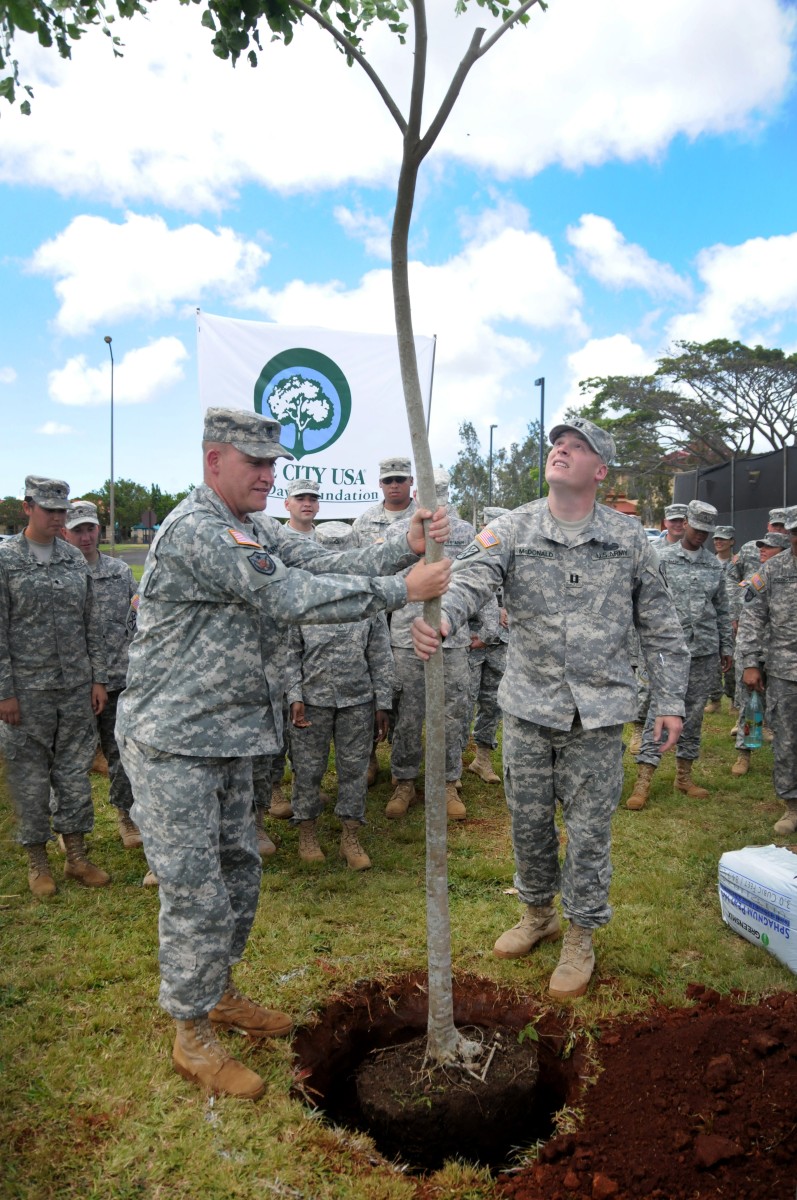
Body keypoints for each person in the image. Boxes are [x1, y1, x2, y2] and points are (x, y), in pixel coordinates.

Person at [115, 407, 451, 1100]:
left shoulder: (250, 526)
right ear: (215, 461)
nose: (269, 475)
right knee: (195, 890)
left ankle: (218, 991)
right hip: (174, 742)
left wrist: (403, 544)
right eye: (255, 462)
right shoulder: (199, 530)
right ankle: (190, 1034)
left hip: (228, 735)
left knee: (239, 872)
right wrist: (401, 590)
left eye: (274, 464)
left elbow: (321, 560)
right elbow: (290, 594)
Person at [411, 417, 688, 1000]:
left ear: (600, 470)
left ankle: (581, 935)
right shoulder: (513, 527)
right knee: (529, 822)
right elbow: (469, 580)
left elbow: (662, 627)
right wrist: (442, 619)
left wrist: (668, 700)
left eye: (578, 447)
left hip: (598, 714)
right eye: (559, 443)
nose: (562, 450)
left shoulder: (628, 538)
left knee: (588, 831)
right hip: (529, 708)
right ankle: (538, 914)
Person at [0, 477, 110, 896]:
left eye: (62, 511)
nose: (57, 518)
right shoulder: (6, 559)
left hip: (75, 687)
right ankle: (37, 862)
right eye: (49, 510)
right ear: (27, 507)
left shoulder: (72, 558)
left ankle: (76, 856)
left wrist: (97, 678)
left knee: (74, 773)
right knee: (30, 776)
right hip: (27, 691)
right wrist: (4, 691)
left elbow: (91, 623)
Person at [286, 521, 393, 869]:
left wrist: (383, 702)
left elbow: (380, 654)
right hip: (312, 701)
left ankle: (351, 836)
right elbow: (289, 653)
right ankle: (307, 832)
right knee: (308, 770)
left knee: (354, 770)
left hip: (357, 700)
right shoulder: (302, 598)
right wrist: (294, 695)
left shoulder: (365, 599)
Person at [627, 500, 733, 809]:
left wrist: (726, 646)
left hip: (704, 650)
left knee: (694, 714)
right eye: (697, 528)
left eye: (706, 532)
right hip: (668, 651)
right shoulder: (661, 558)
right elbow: (642, 604)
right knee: (659, 711)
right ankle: (643, 779)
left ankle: (684, 776)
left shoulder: (713, 565)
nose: (701, 535)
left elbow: (722, 609)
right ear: (685, 523)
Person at [386, 469, 475, 820]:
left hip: (452, 638)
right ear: (416, 494)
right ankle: (405, 781)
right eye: (429, 494)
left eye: (441, 494)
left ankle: (447, 782)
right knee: (408, 715)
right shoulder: (398, 533)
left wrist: (481, 628)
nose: (435, 501)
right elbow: (385, 584)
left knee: (452, 714)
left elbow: (476, 580)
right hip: (406, 637)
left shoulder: (465, 532)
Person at [63, 500, 140, 849]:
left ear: (99, 529)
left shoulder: (120, 571)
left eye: (90, 528)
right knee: (72, 759)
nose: (86, 536)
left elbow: (138, 617)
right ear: (66, 532)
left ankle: (126, 818)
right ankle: (71, 831)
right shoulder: (61, 575)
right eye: (78, 530)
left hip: (119, 679)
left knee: (121, 754)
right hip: (75, 682)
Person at [252, 477, 322, 841]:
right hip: (276, 643)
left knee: (304, 724)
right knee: (273, 726)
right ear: (287, 504)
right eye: (300, 498)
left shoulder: (324, 543)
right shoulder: (273, 540)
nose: (307, 503)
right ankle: (272, 792)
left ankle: (303, 786)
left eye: (312, 498)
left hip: (313, 647)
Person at [736, 505, 797, 835]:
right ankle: (792, 805)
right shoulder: (772, 569)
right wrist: (750, 662)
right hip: (784, 671)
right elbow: (751, 617)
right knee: (786, 740)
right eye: (795, 533)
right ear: (789, 534)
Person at [729, 530, 790, 776]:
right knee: (749, 705)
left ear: (783, 550)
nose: (762, 550)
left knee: (781, 710)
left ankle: (782, 756)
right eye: (761, 546)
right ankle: (744, 753)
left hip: (782, 657)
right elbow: (745, 605)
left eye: (769, 547)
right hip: (756, 652)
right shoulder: (760, 577)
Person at [465, 505, 509, 785]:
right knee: (463, 701)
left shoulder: (516, 557)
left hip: (502, 641)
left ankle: (482, 759)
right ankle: (452, 764)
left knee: (493, 702)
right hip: (472, 640)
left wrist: (509, 611)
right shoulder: (471, 555)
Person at [704, 525, 736, 714]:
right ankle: (715, 699)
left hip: (731, 618)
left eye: (723, 539)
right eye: (716, 538)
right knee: (712, 663)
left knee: (731, 661)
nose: (718, 542)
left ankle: (733, 700)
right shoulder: (708, 562)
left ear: (732, 541)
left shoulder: (738, 562)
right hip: (710, 618)